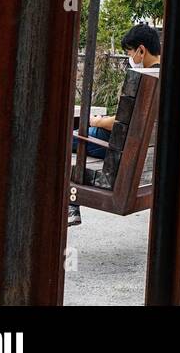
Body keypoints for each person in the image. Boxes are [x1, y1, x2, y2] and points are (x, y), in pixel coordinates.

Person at [69, 23, 162, 226]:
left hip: (123, 151)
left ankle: (71, 205)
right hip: (151, 153)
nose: (130, 57)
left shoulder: (145, 78)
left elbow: (121, 123)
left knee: (66, 139)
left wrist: (98, 121)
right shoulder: (171, 75)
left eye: (129, 51)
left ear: (141, 50)